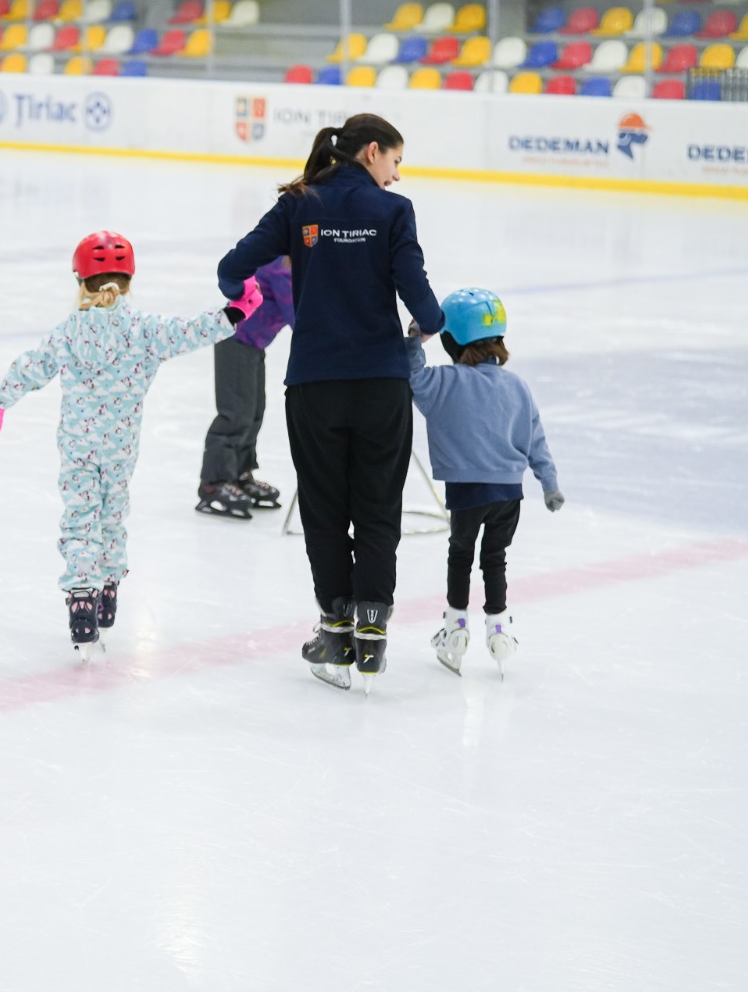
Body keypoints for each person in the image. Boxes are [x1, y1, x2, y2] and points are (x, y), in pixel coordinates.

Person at [216, 113, 445, 693]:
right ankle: (372, 629)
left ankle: (335, 628)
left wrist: (243, 299)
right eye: (395, 161)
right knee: (377, 506)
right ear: (372, 152)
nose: (396, 175)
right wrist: (426, 325)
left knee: (323, 508)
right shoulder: (394, 211)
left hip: (315, 384)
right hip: (380, 384)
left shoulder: (300, 204)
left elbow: (231, 270)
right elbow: (424, 305)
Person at [0, 231, 260, 658]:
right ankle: (107, 589)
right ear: (129, 280)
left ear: (80, 280)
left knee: (80, 520)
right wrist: (235, 313)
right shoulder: (145, 329)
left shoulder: (70, 331)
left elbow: (30, 368)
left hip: (78, 449)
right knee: (112, 516)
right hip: (121, 450)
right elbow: (190, 332)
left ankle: (81, 599)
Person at [407, 289, 562, 677]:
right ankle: (499, 629)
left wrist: (413, 340)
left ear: (451, 341)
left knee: (461, 555)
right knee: (495, 558)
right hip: (508, 494)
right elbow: (536, 437)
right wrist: (549, 482)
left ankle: (456, 627)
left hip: (466, 492)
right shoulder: (518, 386)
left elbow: (412, 378)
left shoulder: (445, 382)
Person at [196, 255, 294, 520]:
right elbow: (297, 315)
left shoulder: (290, 267)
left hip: (253, 345)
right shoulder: (281, 270)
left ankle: (239, 473)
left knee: (253, 413)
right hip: (236, 341)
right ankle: (214, 483)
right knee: (236, 414)